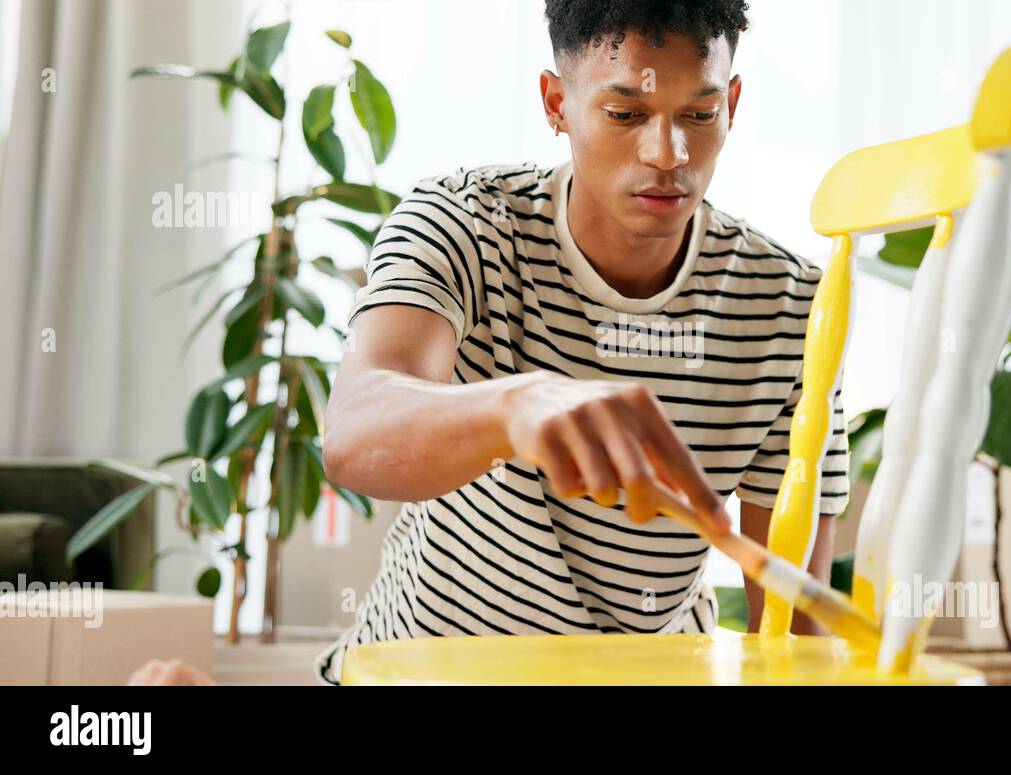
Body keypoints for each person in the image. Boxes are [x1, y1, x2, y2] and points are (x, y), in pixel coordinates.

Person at [316, 0, 850, 685]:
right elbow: (354, 433)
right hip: (422, 675)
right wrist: (517, 408)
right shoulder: (463, 225)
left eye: (700, 114)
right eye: (625, 114)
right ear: (556, 102)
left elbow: (793, 626)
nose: (668, 155)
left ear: (734, 103)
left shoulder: (789, 303)